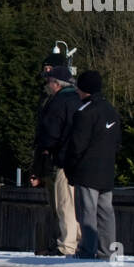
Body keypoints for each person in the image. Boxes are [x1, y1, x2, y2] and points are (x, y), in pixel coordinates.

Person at [62, 70, 121, 259]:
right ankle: (109, 251)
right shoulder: (110, 110)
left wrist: (70, 169)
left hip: (87, 172)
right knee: (106, 213)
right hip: (107, 170)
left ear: (84, 90)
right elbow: (117, 141)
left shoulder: (85, 112)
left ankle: (87, 250)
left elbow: (77, 146)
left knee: (87, 212)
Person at [30, 65, 79, 255]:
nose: (46, 84)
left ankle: (67, 246)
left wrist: (42, 156)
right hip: (77, 161)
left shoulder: (58, 102)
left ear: (56, 84)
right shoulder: (77, 100)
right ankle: (80, 243)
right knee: (76, 205)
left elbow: (50, 134)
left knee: (64, 204)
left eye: (48, 81)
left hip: (62, 161)